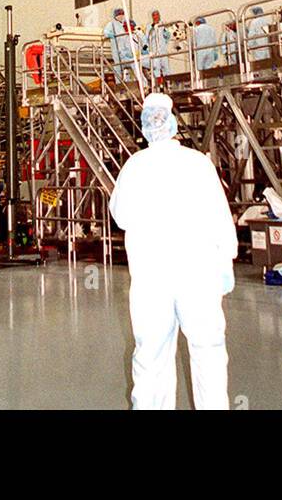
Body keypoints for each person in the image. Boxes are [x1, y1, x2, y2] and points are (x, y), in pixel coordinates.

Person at [109, 93, 237, 410]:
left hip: (152, 279)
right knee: (207, 349)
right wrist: (226, 263)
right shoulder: (198, 163)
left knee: (151, 354)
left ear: (144, 126)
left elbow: (120, 216)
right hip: (199, 274)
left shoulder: (134, 166)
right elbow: (222, 217)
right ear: (173, 122)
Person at [104, 7, 139, 83]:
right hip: (117, 49)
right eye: (119, 14)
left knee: (133, 67)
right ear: (115, 15)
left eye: (122, 14)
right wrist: (110, 35)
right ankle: (119, 83)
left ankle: (132, 83)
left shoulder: (125, 24)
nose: (121, 16)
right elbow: (106, 32)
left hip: (128, 51)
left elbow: (142, 42)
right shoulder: (111, 24)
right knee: (118, 67)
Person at [143, 10, 171, 81]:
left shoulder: (163, 25)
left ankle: (168, 83)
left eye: (157, 15)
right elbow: (146, 39)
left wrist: (165, 31)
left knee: (166, 68)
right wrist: (145, 49)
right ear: (152, 17)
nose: (155, 16)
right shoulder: (149, 26)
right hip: (154, 51)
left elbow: (168, 36)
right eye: (154, 15)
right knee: (156, 68)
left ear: (159, 16)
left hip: (163, 50)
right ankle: (157, 85)